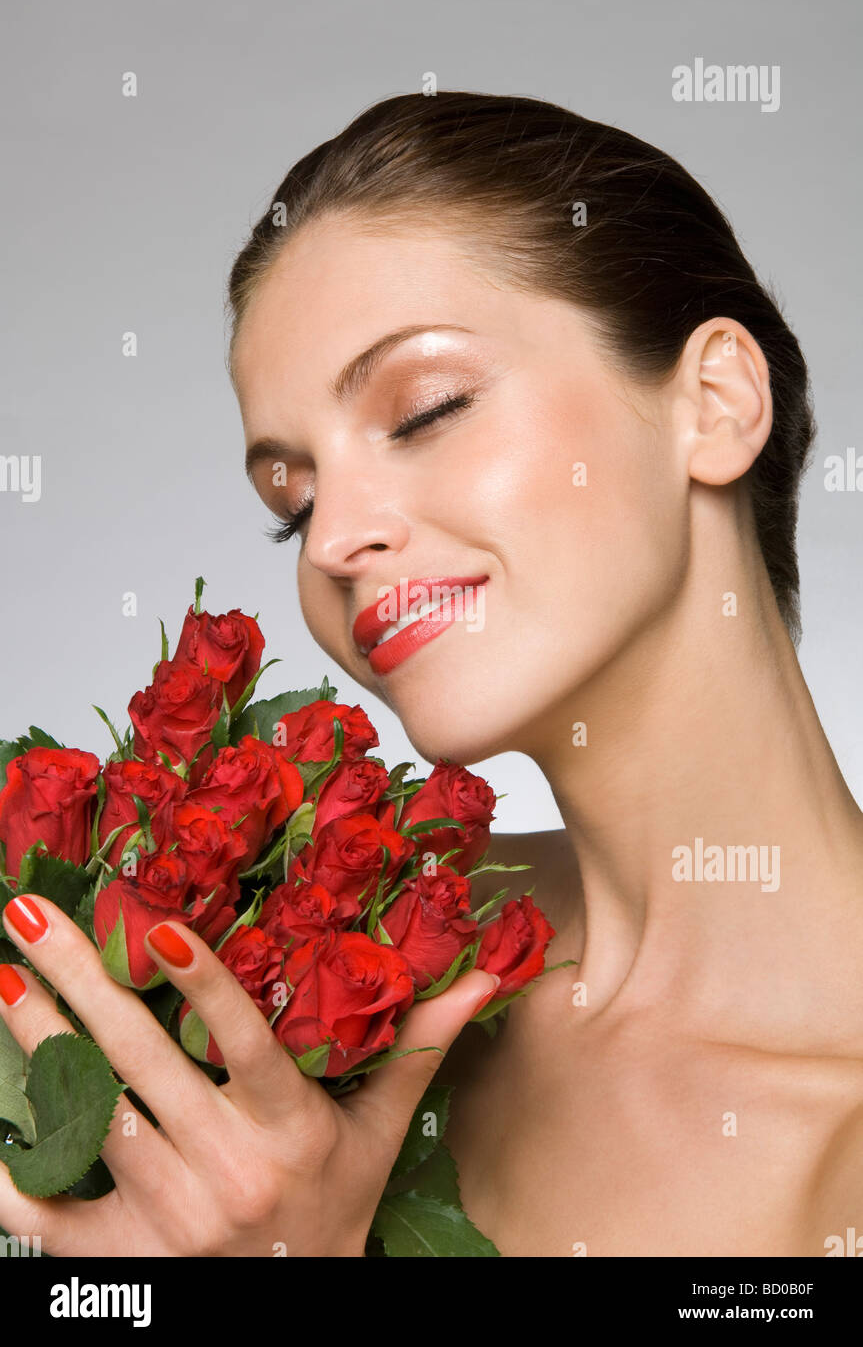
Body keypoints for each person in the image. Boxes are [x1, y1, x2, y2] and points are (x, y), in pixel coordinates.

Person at [2, 91, 861, 1257]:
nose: (329, 541)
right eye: (290, 498)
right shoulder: (291, 961)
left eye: (426, 409)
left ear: (712, 404)